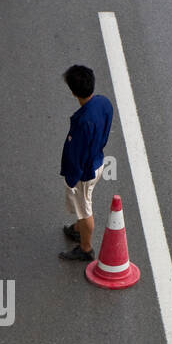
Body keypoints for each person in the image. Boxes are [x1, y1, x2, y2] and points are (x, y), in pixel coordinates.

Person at [58, 66, 114, 262]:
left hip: (85, 172)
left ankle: (85, 248)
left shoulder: (84, 122)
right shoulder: (103, 103)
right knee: (83, 204)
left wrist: (72, 179)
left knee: (84, 209)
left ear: (74, 92)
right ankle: (76, 229)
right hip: (97, 160)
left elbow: (77, 154)